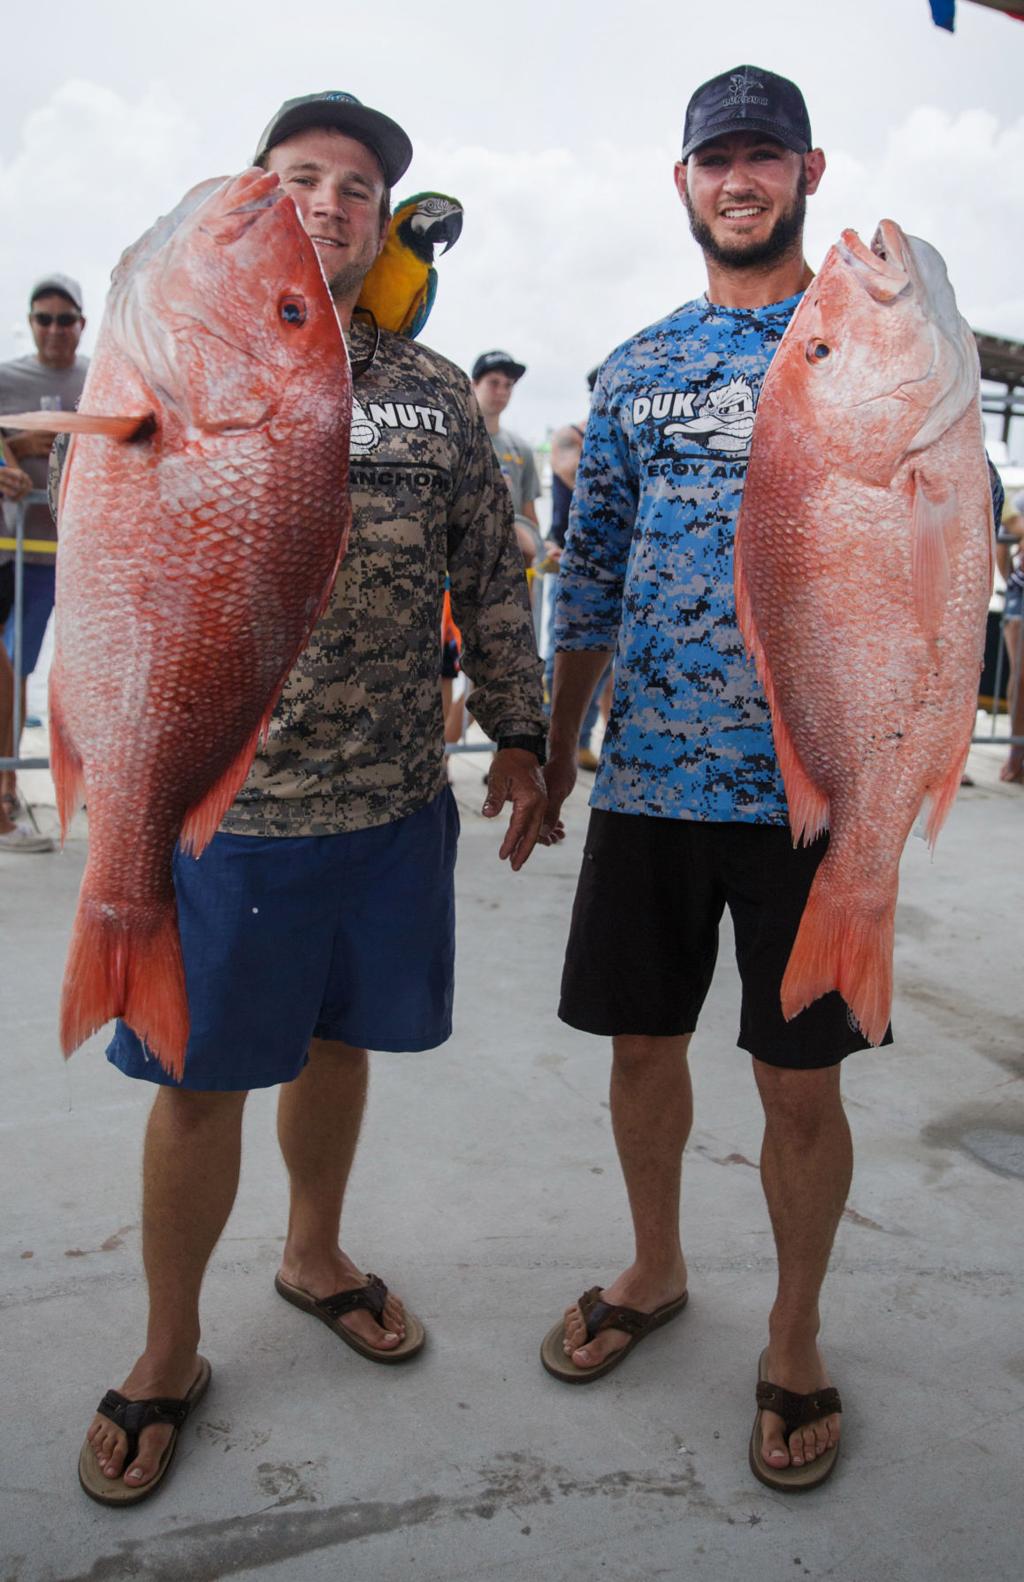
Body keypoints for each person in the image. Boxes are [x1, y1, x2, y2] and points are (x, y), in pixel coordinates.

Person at [79, 91, 549, 1506]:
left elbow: (495, 569)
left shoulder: (433, 389)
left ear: (382, 218)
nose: (333, 203)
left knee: (339, 1047)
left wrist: (523, 733)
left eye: (357, 187)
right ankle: (168, 1347)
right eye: (304, 180)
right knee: (196, 1086)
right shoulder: (188, 347)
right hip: (225, 809)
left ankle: (314, 1251)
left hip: (393, 799)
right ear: (258, 196)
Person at [541, 65, 860, 1493]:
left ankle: (795, 1332)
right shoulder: (637, 368)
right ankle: (656, 1266)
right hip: (649, 785)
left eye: (765, 156)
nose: (741, 179)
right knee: (641, 1049)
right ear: (682, 183)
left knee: (798, 1085)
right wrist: (554, 753)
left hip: (811, 794)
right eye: (716, 157)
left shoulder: (867, 342)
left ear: (808, 172)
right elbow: (591, 581)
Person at [0, 275, 88, 851]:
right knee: (13, 670)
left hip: (93, 561)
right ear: (31, 324)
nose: (54, 329)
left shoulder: (104, 376)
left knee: (96, 678)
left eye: (65, 318)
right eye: (43, 319)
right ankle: (7, 796)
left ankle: (101, 796)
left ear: (82, 323)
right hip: (19, 553)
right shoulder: (8, 377)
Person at [545, 368, 612, 770]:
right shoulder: (572, 435)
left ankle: (581, 739)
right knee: (562, 656)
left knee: (606, 662)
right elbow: (577, 476)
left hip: (610, 562)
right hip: (570, 558)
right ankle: (548, 745)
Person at [471, 349, 542, 566]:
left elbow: (529, 515)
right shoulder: (457, 441)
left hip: (512, 564)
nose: (501, 391)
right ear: (474, 385)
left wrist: (540, 550)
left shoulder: (521, 449)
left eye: (508, 385)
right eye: (493, 382)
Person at [997, 491, 1023, 783]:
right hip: (1020, 597)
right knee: (1020, 677)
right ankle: (1016, 756)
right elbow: (1008, 528)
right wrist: (1009, 583)